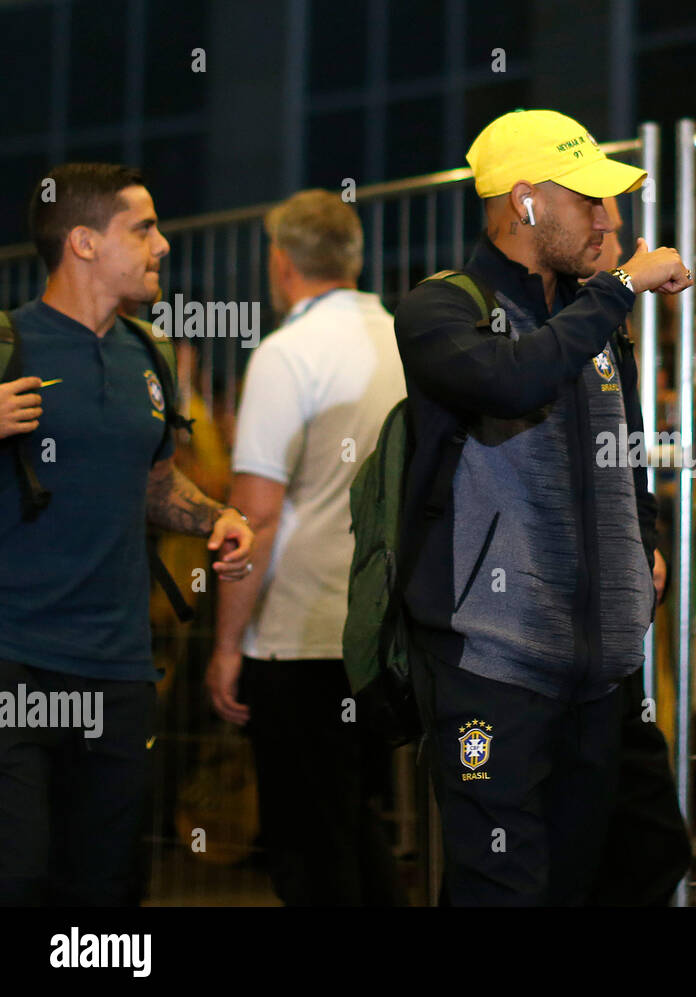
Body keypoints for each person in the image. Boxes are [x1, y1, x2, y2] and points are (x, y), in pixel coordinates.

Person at [393, 109, 692, 905]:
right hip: (493, 672)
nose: (613, 218)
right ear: (525, 202)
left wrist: (646, 539)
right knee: (504, 888)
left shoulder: (592, 318)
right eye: (590, 200)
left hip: (597, 674)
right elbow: (513, 378)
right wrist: (621, 288)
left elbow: (622, 452)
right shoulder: (439, 311)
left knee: (629, 863)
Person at [0, 163, 254, 905]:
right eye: (142, 228)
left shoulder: (149, 354)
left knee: (109, 892)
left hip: (119, 672)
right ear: (82, 241)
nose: (163, 245)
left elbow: (155, 485)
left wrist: (217, 516)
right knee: (17, 880)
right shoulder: (9, 343)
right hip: (14, 662)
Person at [205, 189, 405, 905]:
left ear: (280, 262)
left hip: (298, 635)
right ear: (352, 256)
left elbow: (254, 518)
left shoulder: (286, 354)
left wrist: (229, 644)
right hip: (381, 632)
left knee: (308, 845)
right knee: (356, 824)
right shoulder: (402, 338)